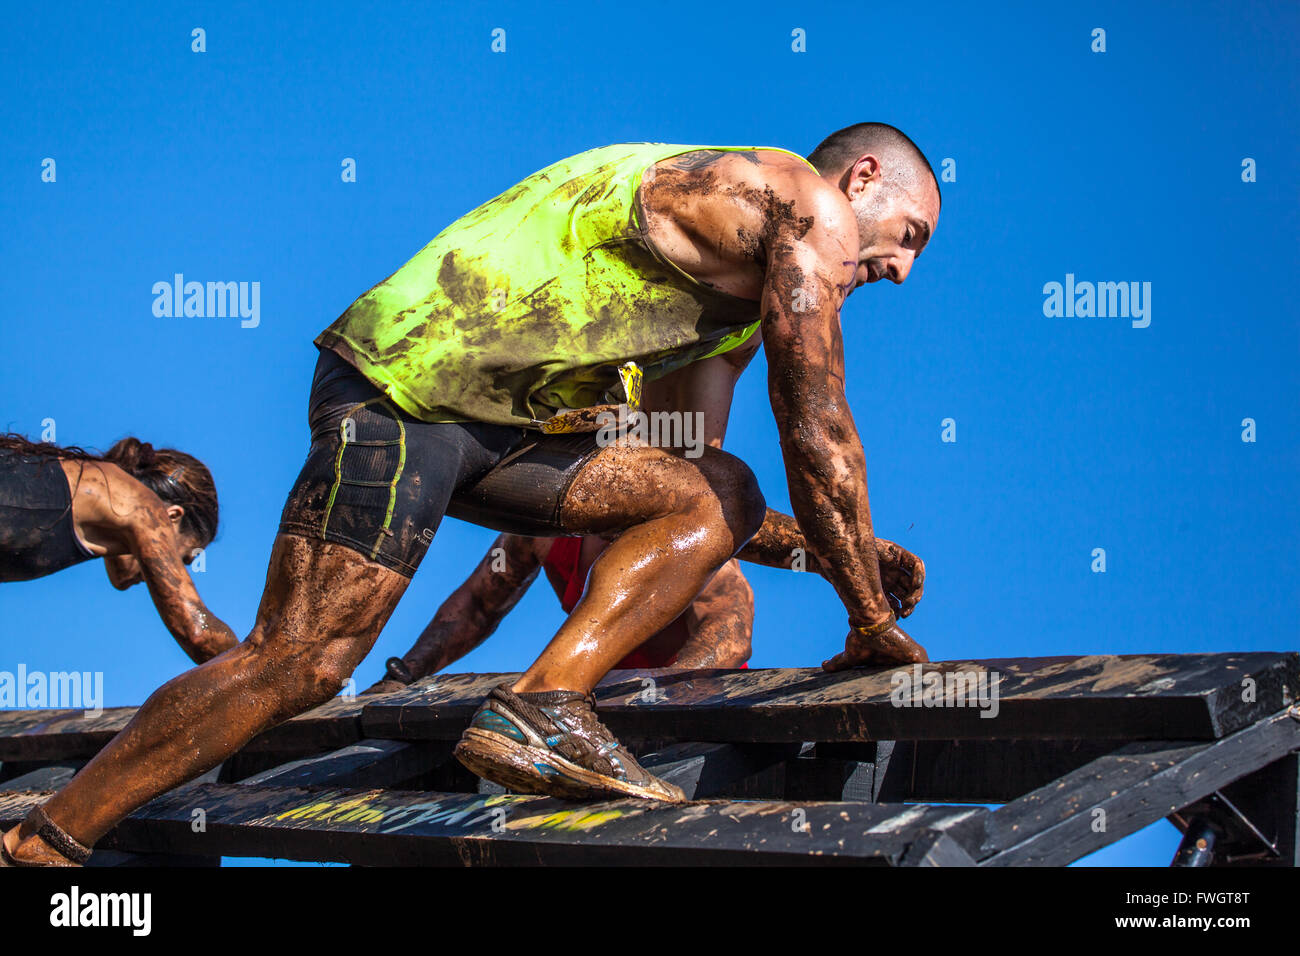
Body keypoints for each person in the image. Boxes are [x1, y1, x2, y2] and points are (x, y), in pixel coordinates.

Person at [2, 122, 940, 865]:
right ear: (860, 180)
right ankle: (45, 838)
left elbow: (687, 471)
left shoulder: (718, 304)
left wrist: (831, 556)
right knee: (301, 664)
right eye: (909, 236)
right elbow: (818, 426)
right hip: (410, 390)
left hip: (502, 428)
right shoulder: (801, 203)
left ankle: (545, 704)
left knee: (714, 492)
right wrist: (866, 613)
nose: (901, 268)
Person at [363, 528, 925, 691]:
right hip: (591, 709)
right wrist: (404, 673)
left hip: (694, 717)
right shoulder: (540, 528)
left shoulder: (687, 545)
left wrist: (652, 707)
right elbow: (478, 605)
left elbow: (729, 633)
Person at [0, 434, 236, 663]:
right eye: (181, 560)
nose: (154, 576)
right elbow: (199, 635)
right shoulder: (142, 505)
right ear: (171, 517)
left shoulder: (91, 488)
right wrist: (260, 661)